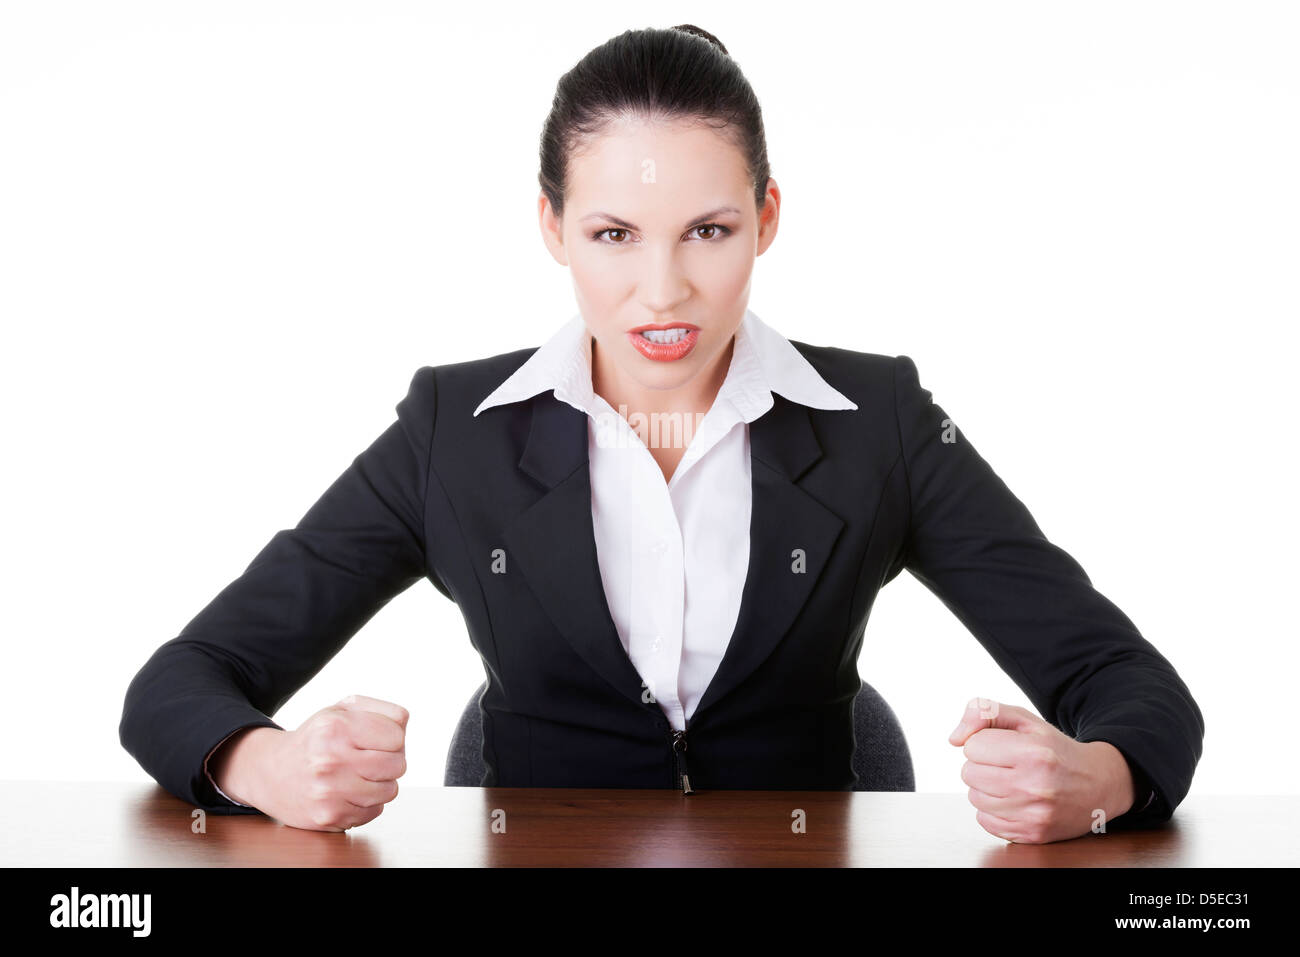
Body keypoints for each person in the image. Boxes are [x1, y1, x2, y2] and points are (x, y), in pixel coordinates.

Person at [119, 24, 1203, 844]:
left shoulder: (881, 424)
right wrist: (267, 764)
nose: (662, 289)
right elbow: (181, 682)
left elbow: (1132, 687)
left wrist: (1095, 780)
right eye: (612, 234)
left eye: (710, 231)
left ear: (767, 217)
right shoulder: (454, 432)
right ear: (551, 226)